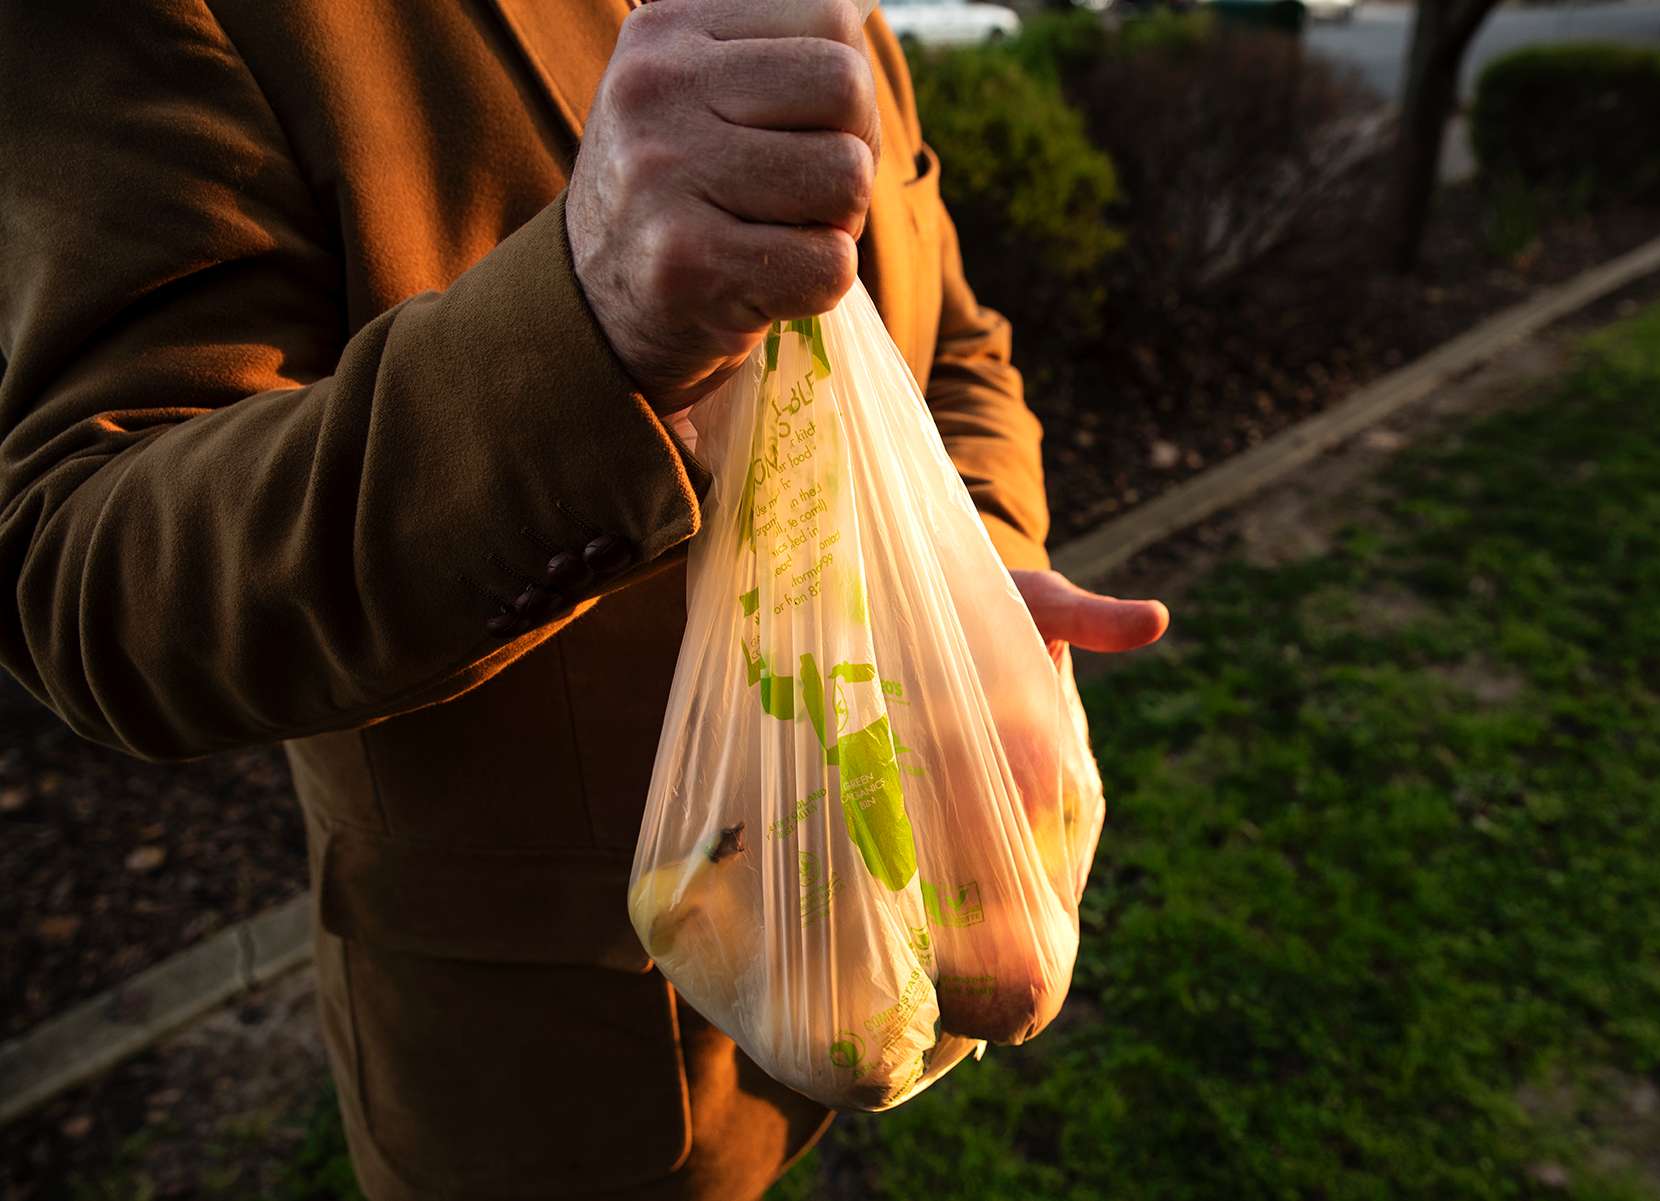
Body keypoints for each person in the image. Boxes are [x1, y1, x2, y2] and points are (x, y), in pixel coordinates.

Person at [0, 0, 1169, 1197]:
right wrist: (591, 317)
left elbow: (958, 337)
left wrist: (971, 568)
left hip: (884, 941)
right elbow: (88, 582)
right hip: (563, 1073)